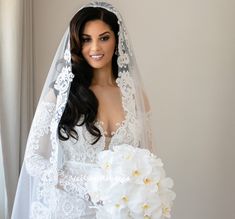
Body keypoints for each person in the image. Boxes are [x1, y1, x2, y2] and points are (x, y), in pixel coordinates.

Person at [11, 1, 155, 218]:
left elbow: (147, 160)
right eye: (86, 40)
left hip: (120, 211)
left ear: (117, 41)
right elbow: (33, 160)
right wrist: (85, 187)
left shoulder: (135, 97)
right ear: (77, 44)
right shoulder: (60, 94)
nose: (95, 48)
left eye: (104, 38)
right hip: (68, 209)